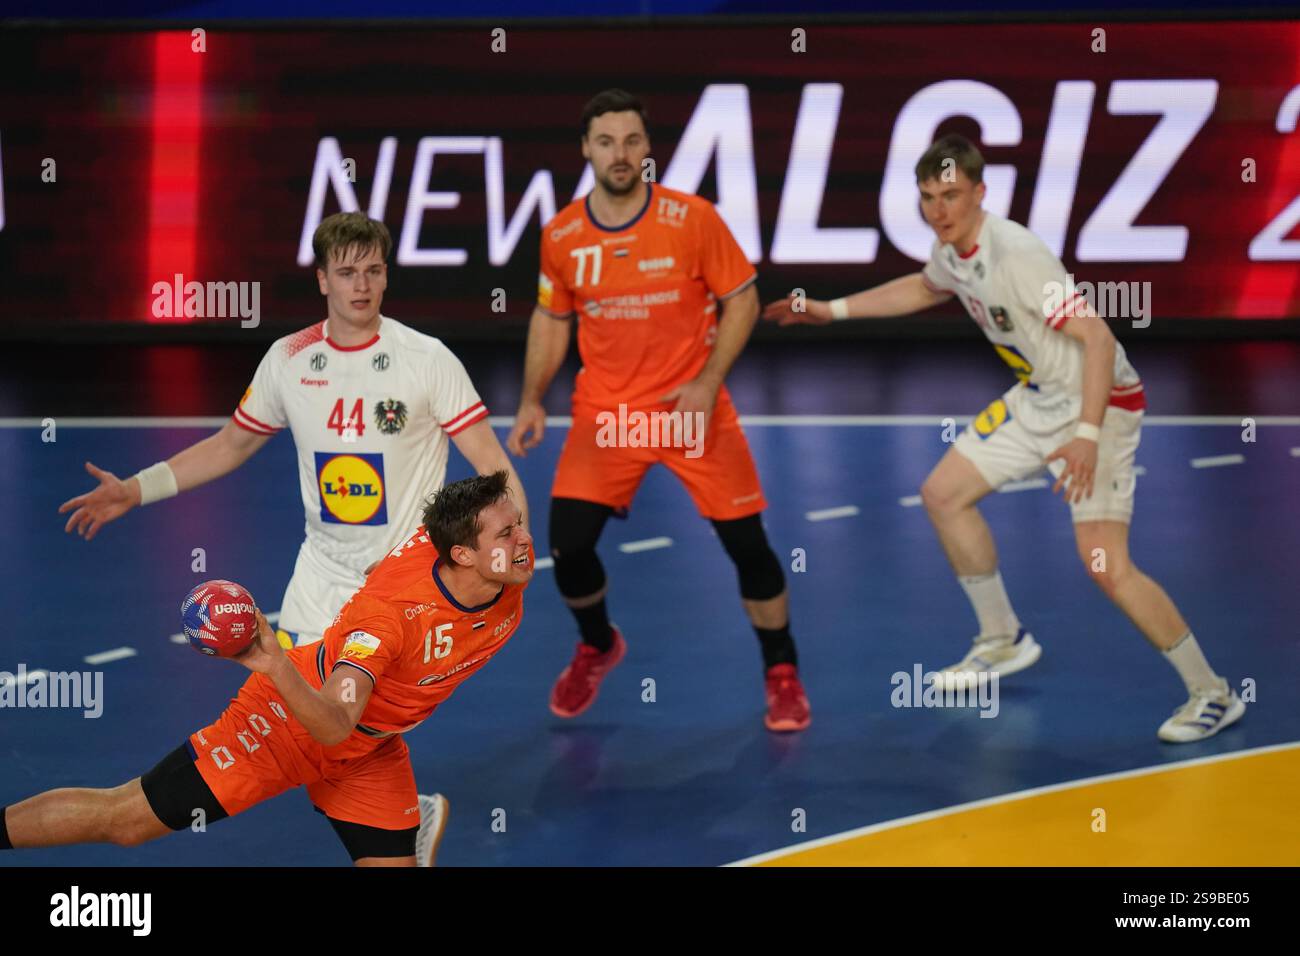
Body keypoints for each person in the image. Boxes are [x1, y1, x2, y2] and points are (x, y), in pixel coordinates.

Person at [763, 133, 1243, 743]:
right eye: (929, 197)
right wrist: (831, 311)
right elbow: (924, 286)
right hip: (1037, 399)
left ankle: (1213, 693)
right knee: (943, 495)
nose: (939, 210)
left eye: (952, 196)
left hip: (1100, 406)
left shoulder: (1016, 255)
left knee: (1106, 566)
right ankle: (1002, 639)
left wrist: (1088, 437)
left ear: (980, 193)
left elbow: (1096, 340)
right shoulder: (953, 251)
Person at [3, 471, 533, 865]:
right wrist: (275, 663)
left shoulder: (478, 566)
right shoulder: (386, 627)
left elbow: (396, 560)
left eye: (519, 525)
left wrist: (387, 571)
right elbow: (331, 724)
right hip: (291, 721)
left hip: (369, 750)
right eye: (506, 534)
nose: (523, 540)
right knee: (125, 822)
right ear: (462, 555)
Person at [59, 211, 526, 650]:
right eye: (347, 273)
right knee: (299, 722)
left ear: (386, 275)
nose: (362, 285)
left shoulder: (427, 359)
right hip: (319, 580)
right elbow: (231, 445)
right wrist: (135, 490)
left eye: (374, 271)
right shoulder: (289, 358)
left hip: (404, 580)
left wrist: (515, 546)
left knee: (361, 729)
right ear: (322, 279)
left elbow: (491, 463)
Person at [507, 89, 810, 732]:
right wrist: (533, 399)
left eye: (633, 141)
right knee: (568, 546)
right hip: (607, 416)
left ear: (649, 149)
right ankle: (598, 644)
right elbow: (552, 317)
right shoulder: (561, 234)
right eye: (608, 141)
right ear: (586, 149)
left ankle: (781, 671)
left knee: (748, 547)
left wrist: (707, 382)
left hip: (689, 410)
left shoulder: (692, 219)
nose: (622, 154)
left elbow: (744, 301)